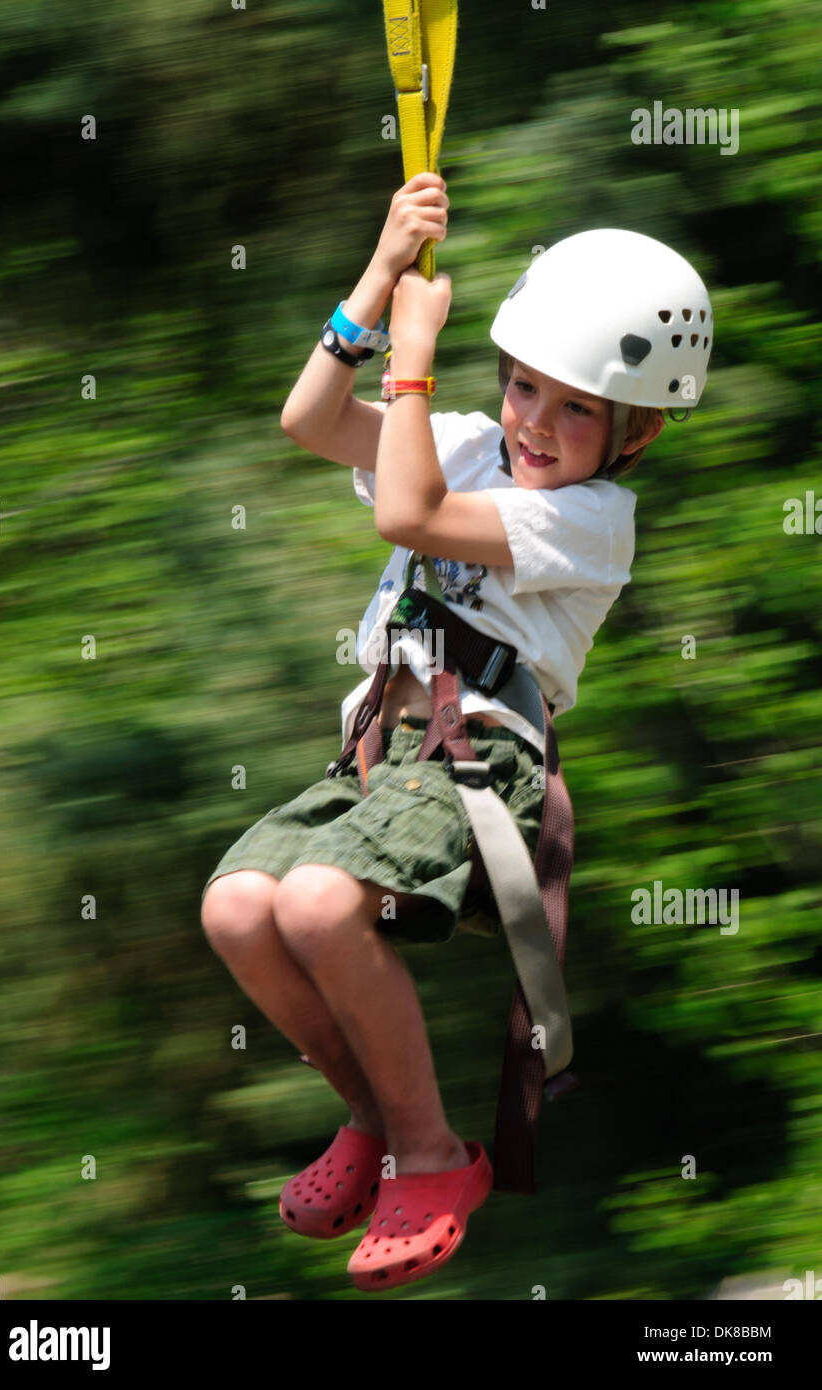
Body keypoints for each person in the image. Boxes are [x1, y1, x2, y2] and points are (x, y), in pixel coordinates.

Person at [200, 172, 712, 1292]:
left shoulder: (592, 521)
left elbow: (406, 512)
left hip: (483, 766)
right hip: (384, 758)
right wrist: (380, 278)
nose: (533, 421)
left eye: (574, 407)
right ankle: (371, 1119)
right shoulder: (474, 438)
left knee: (319, 902)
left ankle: (432, 1151)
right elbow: (309, 422)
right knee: (239, 907)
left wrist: (413, 360)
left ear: (637, 435)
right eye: (523, 386)